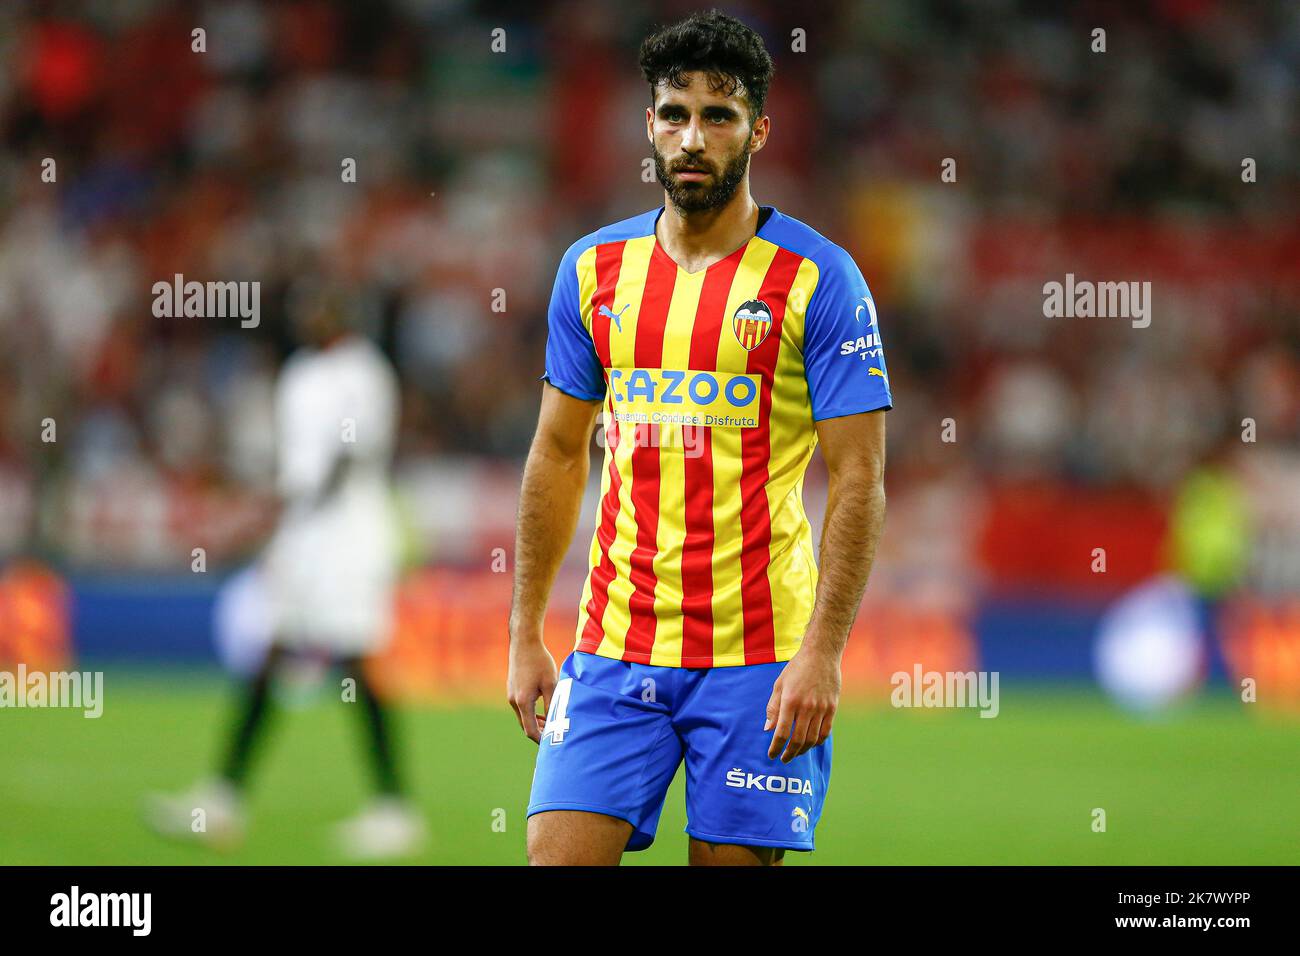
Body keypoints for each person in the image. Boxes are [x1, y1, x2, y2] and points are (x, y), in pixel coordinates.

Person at [507, 10, 892, 865]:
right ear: (648, 125)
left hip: (759, 658)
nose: (692, 138)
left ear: (758, 130)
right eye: (674, 114)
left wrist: (823, 655)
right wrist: (525, 630)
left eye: (717, 117)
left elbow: (860, 478)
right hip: (613, 646)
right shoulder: (590, 271)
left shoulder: (820, 279)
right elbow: (559, 453)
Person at [147, 283, 424, 859]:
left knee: (354, 663)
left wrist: (270, 515)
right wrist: (279, 518)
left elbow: (348, 458)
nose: (308, 313)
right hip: (305, 536)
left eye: (319, 303)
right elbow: (296, 462)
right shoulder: (301, 371)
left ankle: (395, 810)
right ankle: (222, 802)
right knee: (272, 655)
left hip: (348, 539)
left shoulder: (363, 371)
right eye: (303, 303)